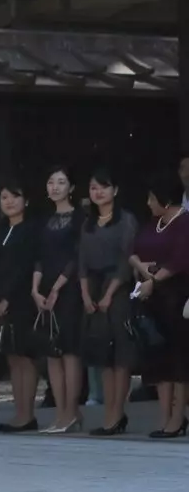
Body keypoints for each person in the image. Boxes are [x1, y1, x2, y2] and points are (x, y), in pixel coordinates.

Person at [131, 171, 189, 439]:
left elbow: (179, 260)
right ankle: (164, 416)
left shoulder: (184, 223)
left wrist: (153, 279)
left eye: (151, 198)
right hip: (153, 298)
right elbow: (134, 251)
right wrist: (142, 269)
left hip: (176, 298)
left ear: (164, 199)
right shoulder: (153, 224)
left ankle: (178, 419)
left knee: (179, 361)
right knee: (160, 360)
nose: (148, 203)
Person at [79, 169, 137, 436]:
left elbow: (126, 259)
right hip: (92, 287)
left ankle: (117, 413)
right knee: (103, 354)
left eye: (103, 187)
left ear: (115, 190)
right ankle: (107, 414)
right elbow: (81, 262)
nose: (98, 192)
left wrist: (109, 293)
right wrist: (85, 295)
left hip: (118, 289)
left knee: (120, 355)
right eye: (93, 188)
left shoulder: (126, 220)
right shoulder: (88, 223)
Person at [33, 166, 84, 433]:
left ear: (71, 188)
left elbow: (77, 255)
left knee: (69, 350)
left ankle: (70, 412)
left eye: (61, 182)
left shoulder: (79, 217)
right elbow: (39, 255)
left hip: (69, 289)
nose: (55, 187)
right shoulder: (45, 220)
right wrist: (36, 288)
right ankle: (61, 411)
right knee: (52, 352)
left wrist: (57, 288)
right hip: (45, 289)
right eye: (51, 181)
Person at [0, 184, 40, 432]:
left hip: (22, 301)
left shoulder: (30, 230)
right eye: (4, 196)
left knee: (25, 357)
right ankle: (18, 412)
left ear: (26, 201)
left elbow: (25, 267)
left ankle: (28, 414)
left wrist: (9, 298)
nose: (9, 201)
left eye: (15, 196)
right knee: (11, 357)